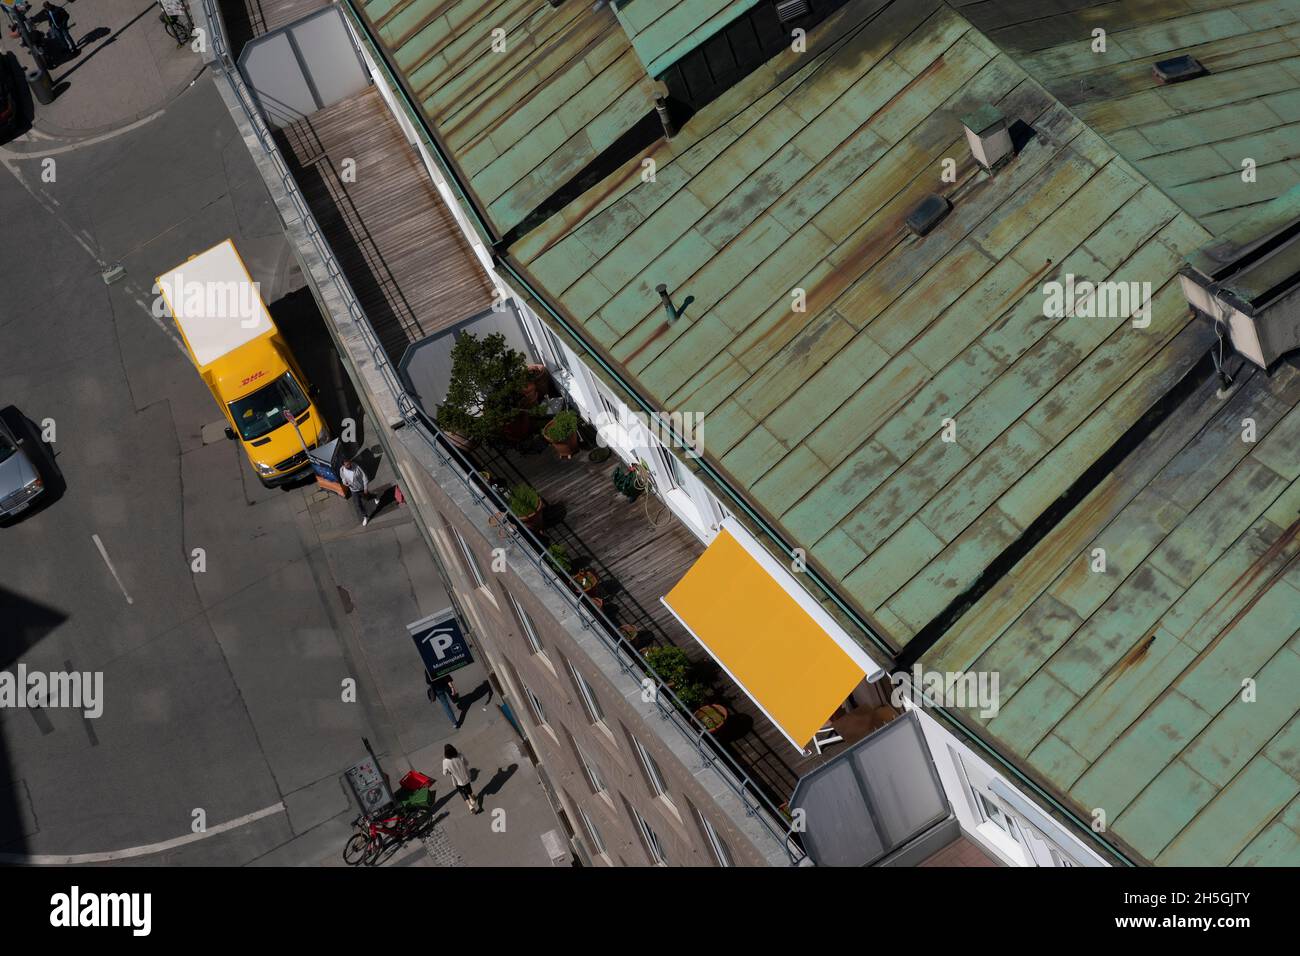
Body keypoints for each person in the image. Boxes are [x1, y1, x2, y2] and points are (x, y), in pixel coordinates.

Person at [339, 457, 378, 526]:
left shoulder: (356, 467)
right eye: (347, 465)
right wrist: (345, 483)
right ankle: (365, 516)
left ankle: (375, 496)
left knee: (367, 498)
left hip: (361, 488)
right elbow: (343, 478)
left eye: (349, 463)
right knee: (358, 505)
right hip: (353, 490)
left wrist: (365, 488)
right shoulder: (342, 470)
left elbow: (364, 477)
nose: (349, 465)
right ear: (343, 465)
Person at [441, 744, 479, 813]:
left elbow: (444, 773)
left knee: (462, 792)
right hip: (465, 776)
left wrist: (449, 770)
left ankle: (470, 805)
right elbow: (467, 763)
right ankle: (472, 798)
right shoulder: (460, 755)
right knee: (468, 787)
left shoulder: (445, 761)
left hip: (457, 780)